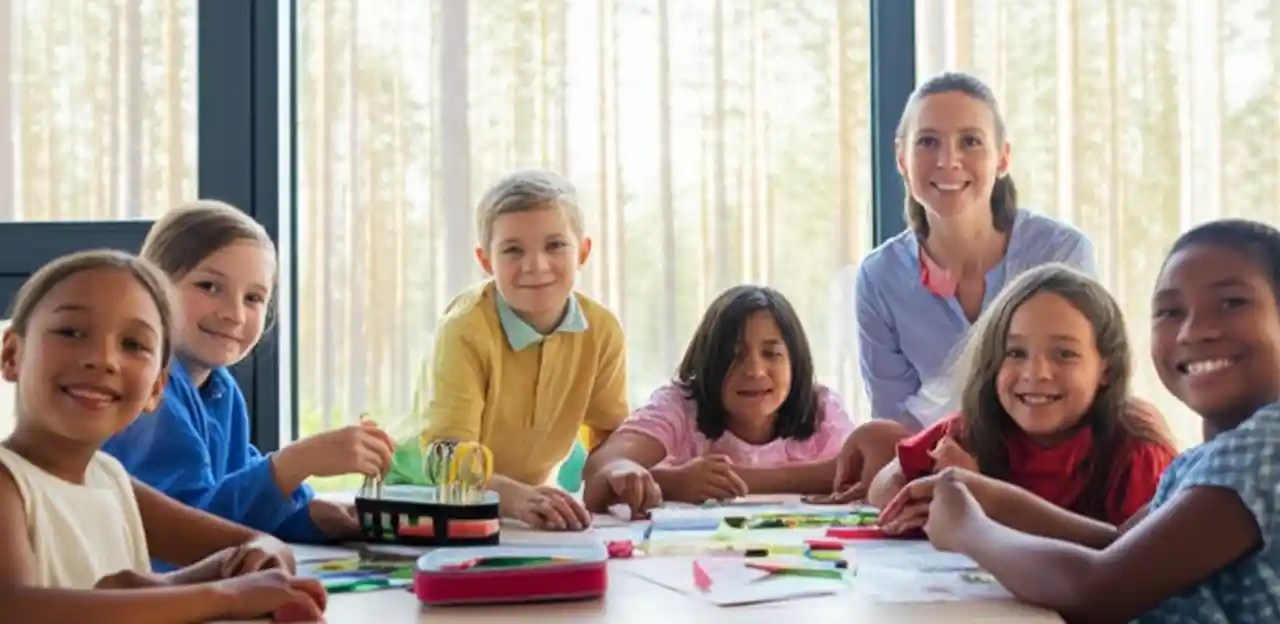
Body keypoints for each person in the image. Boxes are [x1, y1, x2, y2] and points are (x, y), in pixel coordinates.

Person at [888, 220, 1280, 622]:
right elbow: (1116, 543)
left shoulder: (1265, 450)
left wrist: (969, 530)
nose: (1193, 331)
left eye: (1232, 303)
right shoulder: (1211, 458)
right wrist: (988, 496)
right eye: (1170, 311)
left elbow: (1099, 587)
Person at [0, 250, 326, 622]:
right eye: (71, 332)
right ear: (12, 355)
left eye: (133, 345)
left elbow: (258, 544)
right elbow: (13, 608)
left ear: (157, 387)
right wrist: (222, 595)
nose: (103, 359)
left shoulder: (112, 481)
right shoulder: (9, 483)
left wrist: (245, 563)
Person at [103, 201, 395, 545]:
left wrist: (310, 517)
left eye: (254, 297)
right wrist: (295, 462)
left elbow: (238, 499)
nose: (235, 314)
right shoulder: (149, 394)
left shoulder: (220, 390)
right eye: (209, 286)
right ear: (152, 288)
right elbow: (190, 532)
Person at [856, 71, 1097, 432]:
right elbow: (895, 425)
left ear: (1002, 158)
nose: (948, 160)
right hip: (939, 463)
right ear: (901, 158)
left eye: (970, 141)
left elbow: (1080, 388)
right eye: (927, 142)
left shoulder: (1062, 253)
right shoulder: (879, 278)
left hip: (1053, 458)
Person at [389, 170, 629, 531]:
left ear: (583, 251)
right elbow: (446, 453)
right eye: (513, 250)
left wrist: (621, 468)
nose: (536, 265)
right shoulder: (464, 332)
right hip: (423, 497)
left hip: (521, 506)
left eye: (555, 245)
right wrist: (515, 497)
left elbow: (609, 434)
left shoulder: (602, 331)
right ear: (486, 262)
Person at [861, 264, 1174, 528]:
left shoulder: (1136, 454)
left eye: (1064, 354)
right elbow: (884, 485)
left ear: (1106, 368)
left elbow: (1129, 562)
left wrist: (981, 501)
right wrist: (931, 497)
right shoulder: (971, 432)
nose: (1035, 373)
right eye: (1015, 352)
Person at [582, 285, 855, 516]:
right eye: (735, 355)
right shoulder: (680, 406)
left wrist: (685, 481)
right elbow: (602, 468)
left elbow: (858, 472)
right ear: (708, 362)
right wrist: (638, 473)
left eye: (771, 354)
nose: (755, 371)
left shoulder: (821, 409)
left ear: (796, 362)